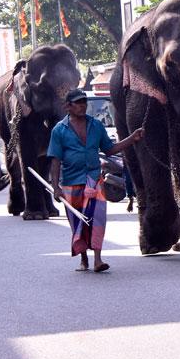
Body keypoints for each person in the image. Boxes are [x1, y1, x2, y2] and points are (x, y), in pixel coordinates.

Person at [47, 88, 145, 273]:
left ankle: (98, 260)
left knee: (97, 219)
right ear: (68, 106)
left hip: (94, 179)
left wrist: (132, 139)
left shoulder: (96, 125)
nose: (83, 106)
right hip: (71, 182)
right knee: (78, 223)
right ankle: (84, 259)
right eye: (78, 103)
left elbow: (109, 149)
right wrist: (56, 187)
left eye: (84, 102)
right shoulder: (59, 130)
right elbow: (55, 160)